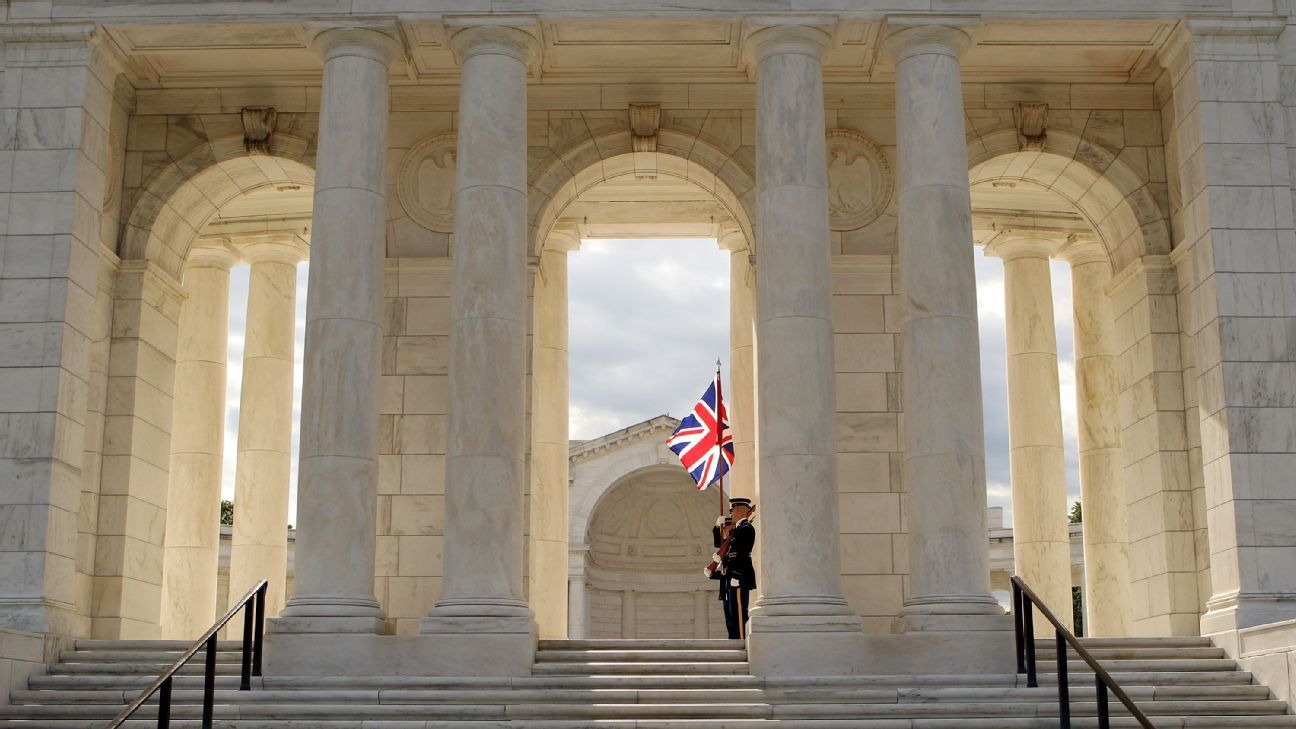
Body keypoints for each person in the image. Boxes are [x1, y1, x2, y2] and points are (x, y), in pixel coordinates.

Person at [721, 497, 756, 639]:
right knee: (732, 611)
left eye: (733, 510)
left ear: (740, 511)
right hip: (733, 577)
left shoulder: (746, 528)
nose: (731, 514)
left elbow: (742, 554)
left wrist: (736, 574)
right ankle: (734, 638)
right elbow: (724, 546)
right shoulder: (738, 529)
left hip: (740, 577)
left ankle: (741, 639)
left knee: (740, 611)